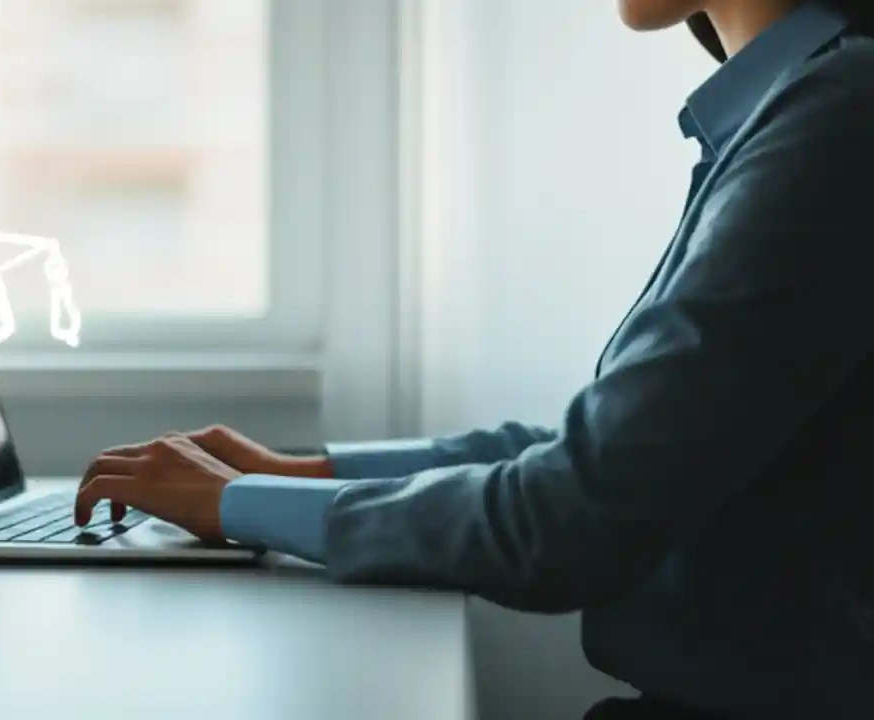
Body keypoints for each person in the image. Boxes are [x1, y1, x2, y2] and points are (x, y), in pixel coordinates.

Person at [73, 1, 873, 717]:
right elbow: (600, 456)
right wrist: (299, 473)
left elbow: (575, 513)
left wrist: (241, 505)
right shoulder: (795, 110)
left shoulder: (839, 117)